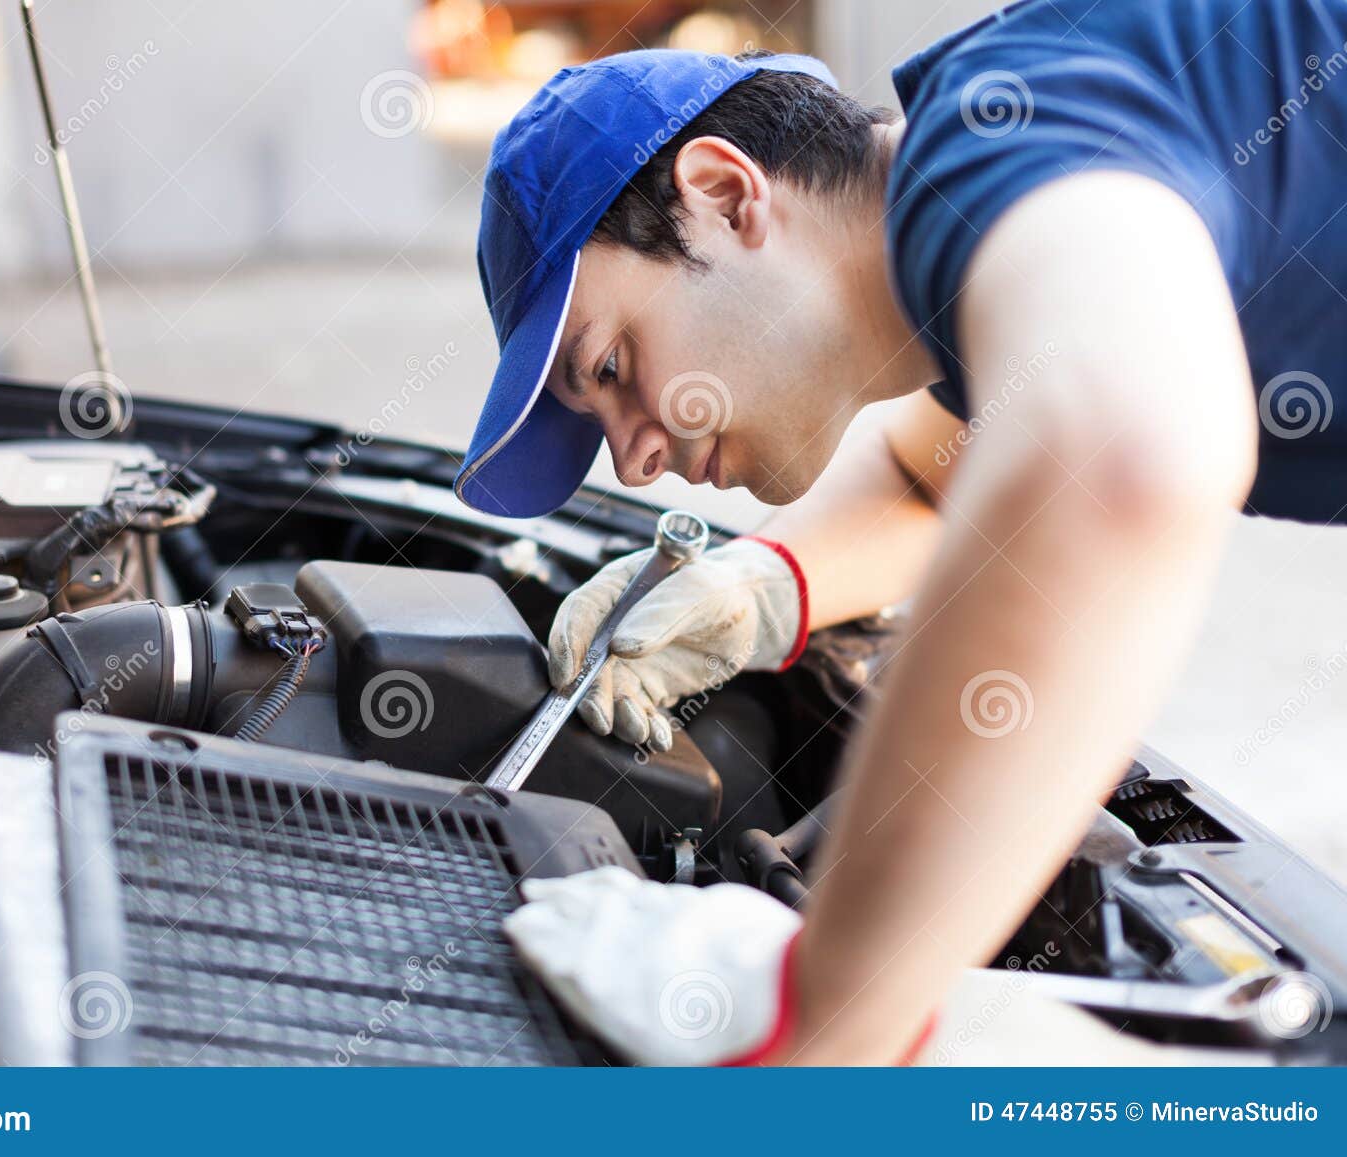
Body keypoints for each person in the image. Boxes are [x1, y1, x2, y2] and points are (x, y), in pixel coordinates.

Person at [453, 0, 1347, 1065]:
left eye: (608, 368)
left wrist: (822, 1013)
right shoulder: (989, 258)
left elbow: (1116, 458)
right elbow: (937, 481)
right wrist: (757, 588)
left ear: (727, 194)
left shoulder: (1000, 130)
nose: (634, 458)